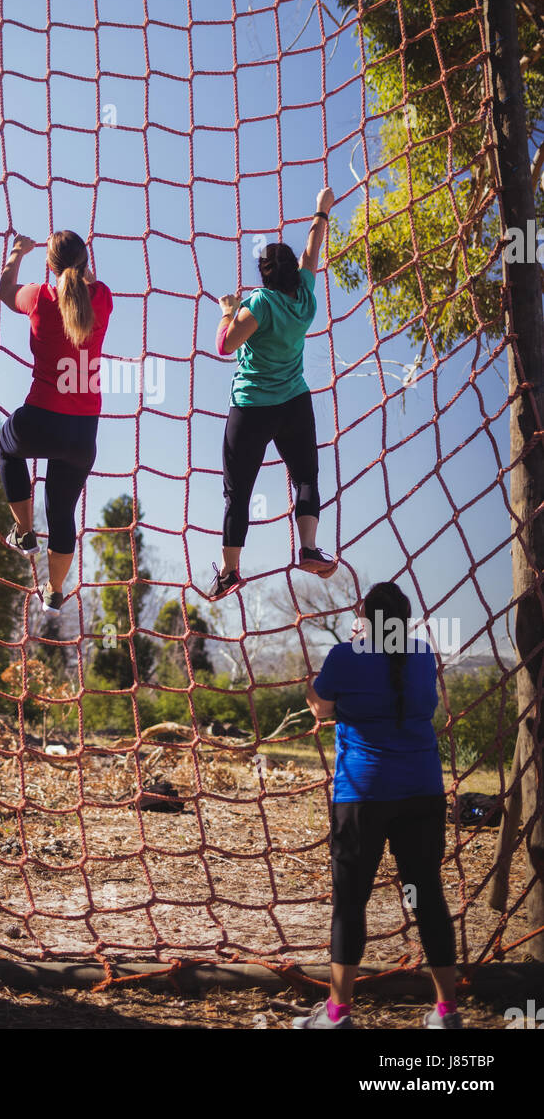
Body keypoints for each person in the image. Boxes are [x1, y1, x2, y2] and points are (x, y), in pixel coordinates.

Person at [294, 581, 460, 1031]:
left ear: (366, 617)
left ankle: (338, 1013)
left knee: (351, 902)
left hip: (363, 796)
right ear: (405, 618)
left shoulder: (345, 656)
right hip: (422, 791)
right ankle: (446, 1012)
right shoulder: (423, 653)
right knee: (426, 895)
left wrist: (344, 656)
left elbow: (321, 709)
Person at [209, 186, 337, 601]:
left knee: (238, 492)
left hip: (252, 408)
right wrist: (321, 211)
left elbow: (225, 346)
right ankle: (309, 549)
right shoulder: (305, 297)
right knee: (305, 476)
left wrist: (228, 309)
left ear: (264, 275)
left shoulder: (259, 304)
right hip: (294, 403)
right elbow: (312, 253)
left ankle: (230, 573)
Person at [0, 229, 113, 612]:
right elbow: (87, 281)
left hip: (41, 420)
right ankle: (55, 591)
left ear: (49, 266)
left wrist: (18, 252)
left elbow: (4, 290)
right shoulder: (103, 299)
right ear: (86, 264)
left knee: (6, 444)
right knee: (62, 510)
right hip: (83, 433)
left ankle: (25, 532)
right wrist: (80, 262)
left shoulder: (39, 296)